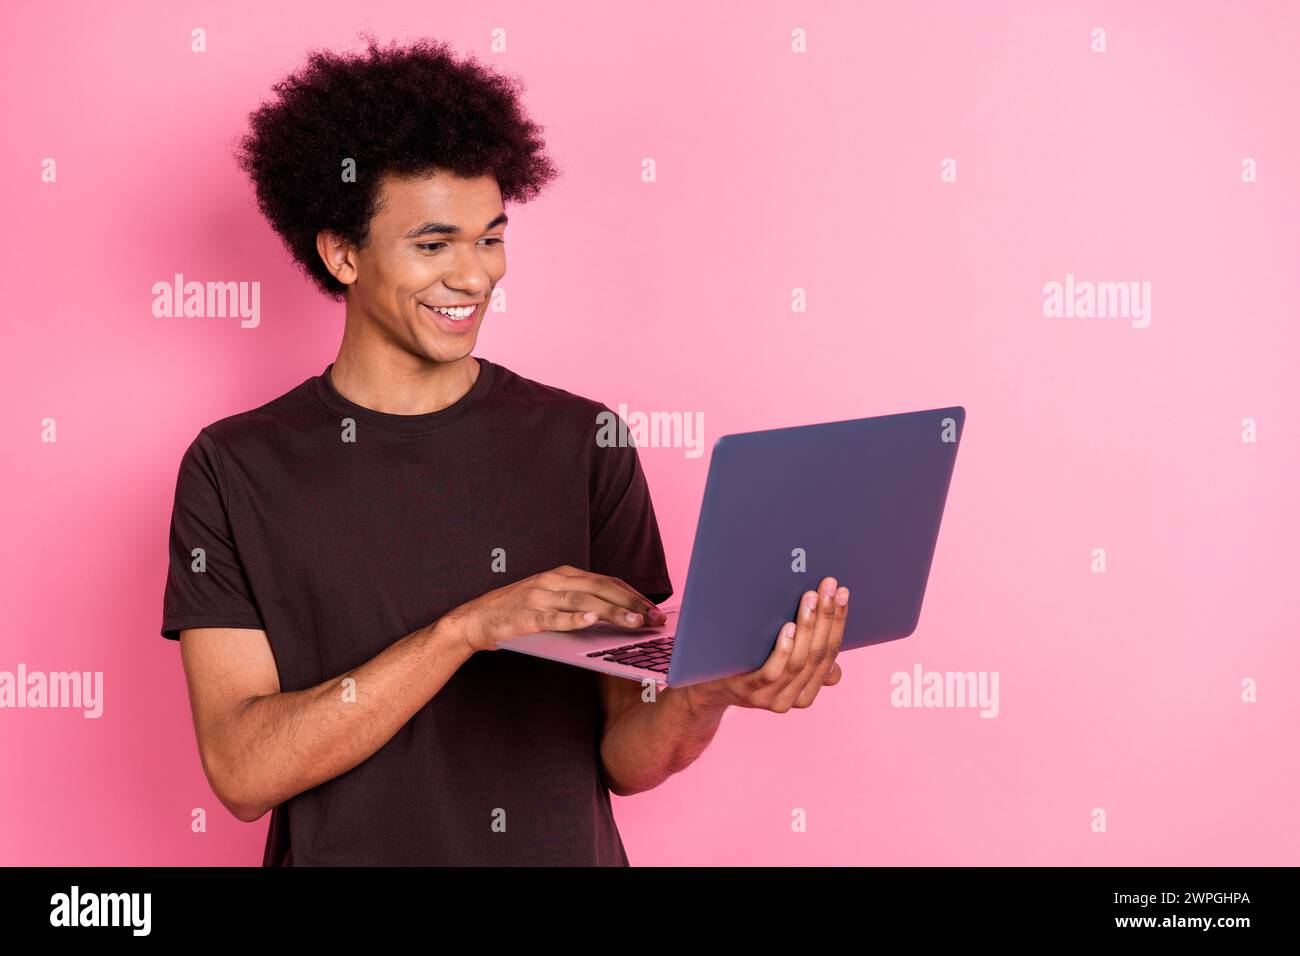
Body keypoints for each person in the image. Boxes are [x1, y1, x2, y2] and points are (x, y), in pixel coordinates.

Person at [160, 36, 849, 866]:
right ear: (342, 252)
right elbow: (242, 770)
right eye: (433, 244)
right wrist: (466, 630)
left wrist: (709, 695)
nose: (475, 275)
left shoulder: (584, 441)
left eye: (490, 237)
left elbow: (625, 755)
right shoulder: (234, 468)